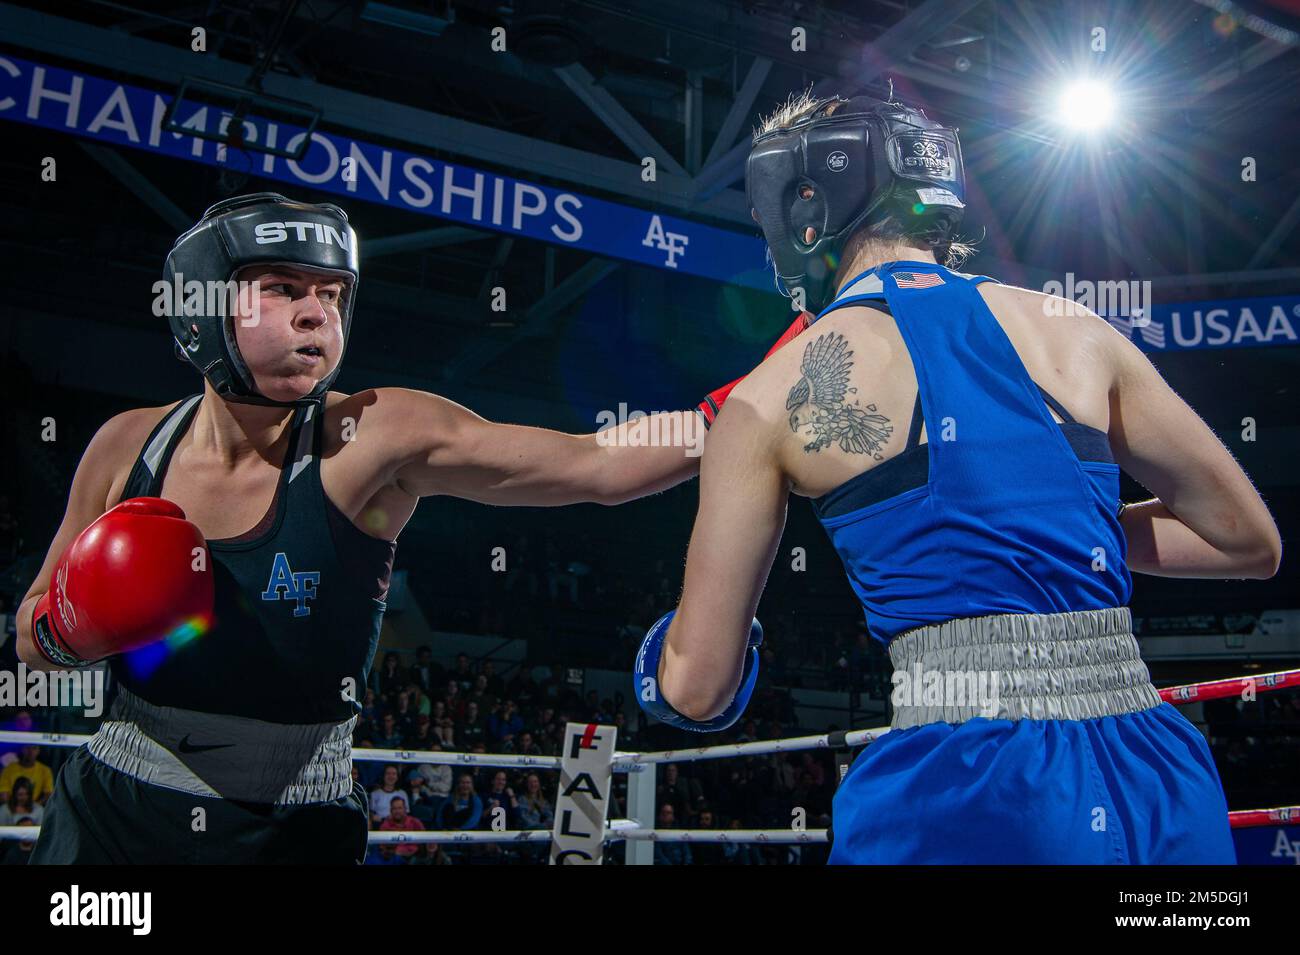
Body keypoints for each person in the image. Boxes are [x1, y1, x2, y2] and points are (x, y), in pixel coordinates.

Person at [15, 193, 799, 864]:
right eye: (284, 287)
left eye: (332, 294)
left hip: (287, 827)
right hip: (109, 816)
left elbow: (593, 464)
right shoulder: (128, 444)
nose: (315, 312)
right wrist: (68, 625)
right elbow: (29, 633)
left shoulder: (373, 436)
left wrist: (752, 400)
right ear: (202, 303)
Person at [633, 92, 1282, 864]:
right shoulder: (1078, 330)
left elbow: (699, 687)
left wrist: (662, 663)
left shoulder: (769, 397)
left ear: (805, 202)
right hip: (1159, 772)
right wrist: (1060, 538)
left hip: (970, 782)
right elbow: (1247, 540)